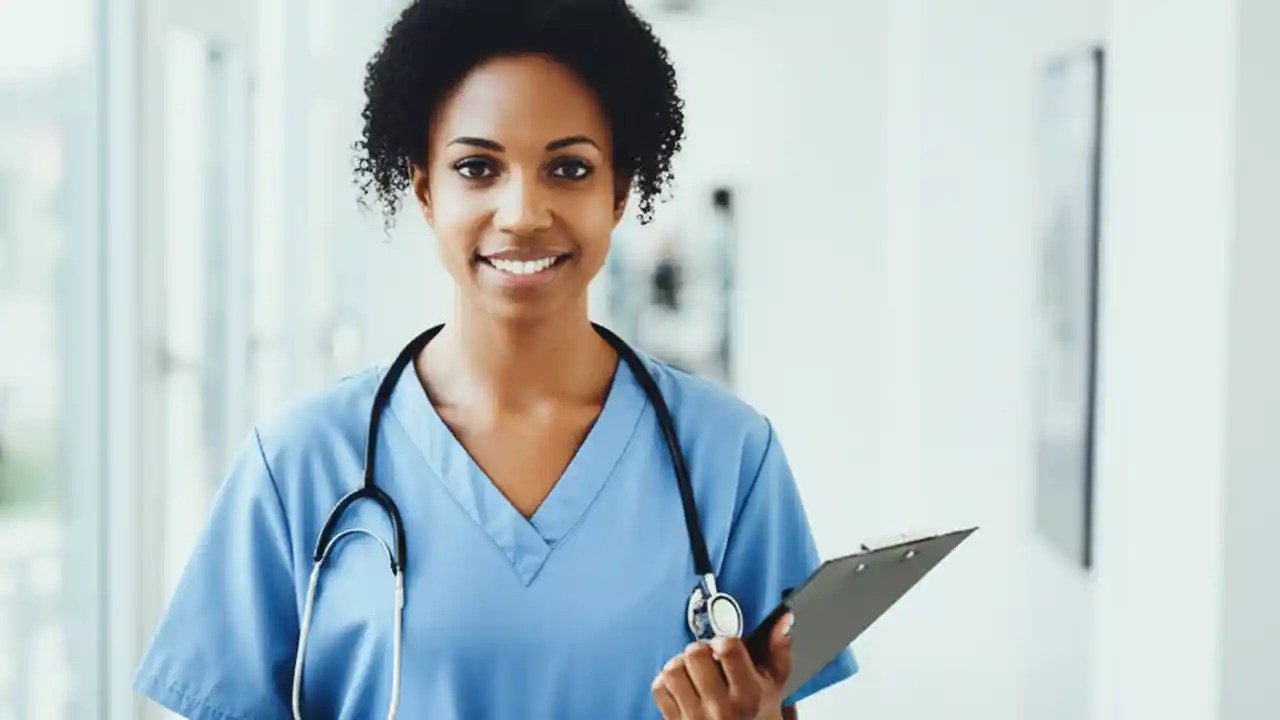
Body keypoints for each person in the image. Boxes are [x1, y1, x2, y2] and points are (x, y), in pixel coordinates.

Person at [132, 0, 857, 717]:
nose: (521, 213)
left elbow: (776, 701)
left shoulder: (729, 454)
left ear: (620, 193)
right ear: (423, 188)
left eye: (569, 170)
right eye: (477, 168)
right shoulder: (298, 465)